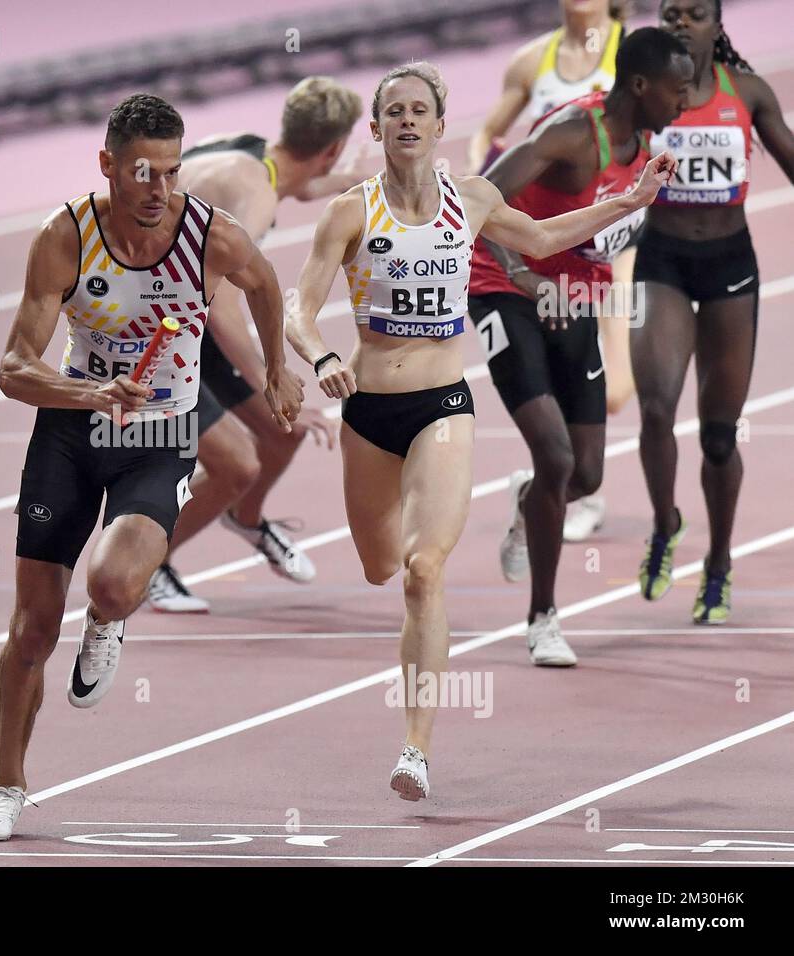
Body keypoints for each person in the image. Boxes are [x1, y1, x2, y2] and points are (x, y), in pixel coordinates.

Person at [289, 61, 673, 799]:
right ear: (376, 129)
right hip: (371, 411)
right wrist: (321, 353)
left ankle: (415, 751)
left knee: (423, 571)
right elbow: (298, 308)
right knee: (377, 565)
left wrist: (629, 198)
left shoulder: (471, 199)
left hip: (442, 405)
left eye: (418, 110)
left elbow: (539, 236)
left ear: (439, 127)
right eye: (392, 111)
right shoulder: (349, 212)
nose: (406, 121)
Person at [0, 93, 303, 841]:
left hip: (160, 433)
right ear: (109, 167)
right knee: (30, 632)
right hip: (70, 433)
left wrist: (277, 369)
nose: (159, 190)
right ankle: (6, 784)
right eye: (144, 172)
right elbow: (14, 369)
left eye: (172, 172)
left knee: (114, 583)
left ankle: (112, 619)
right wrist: (89, 390)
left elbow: (265, 285)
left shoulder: (209, 234)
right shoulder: (66, 235)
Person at [468, 27, 692, 666]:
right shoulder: (572, 134)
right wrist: (524, 276)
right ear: (642, 86)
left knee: (585, 473)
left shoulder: (645, 148)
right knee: (558, 457)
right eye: (678, 92)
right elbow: (479, 197)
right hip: (502, 288)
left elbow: (611, 236)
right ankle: (543, 618)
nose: (683, 105)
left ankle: (525, 498)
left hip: (574, 301)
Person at [147, 77, 362, 613]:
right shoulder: (256, 197)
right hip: (152, 331)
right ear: (331, 146)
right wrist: (272, 376)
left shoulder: (250, 151)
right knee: (237, 465)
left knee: (283, 431)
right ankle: (148, 563)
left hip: (183, 313)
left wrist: (362, 179)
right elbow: (219, 305)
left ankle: (245, 519)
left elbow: (305, 183)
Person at [633, 0, 794, 623]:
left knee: (720, 436)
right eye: (670, 11)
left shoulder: (746, 92)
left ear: (716, 25)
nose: (680, 21)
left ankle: (719, 564)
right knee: (654, 409)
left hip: (730, 264)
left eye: (694, 13)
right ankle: (664, 522)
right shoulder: (643, 93)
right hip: (662, 260)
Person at [469, 0, 633, 543]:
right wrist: (489, 171)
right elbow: (489, 133)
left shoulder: (632, 53)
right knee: (570, 407)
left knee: (613, 392)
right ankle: (565, 486)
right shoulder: (531, 61)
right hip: (536, 242)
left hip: (604, 243)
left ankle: (570, 481)